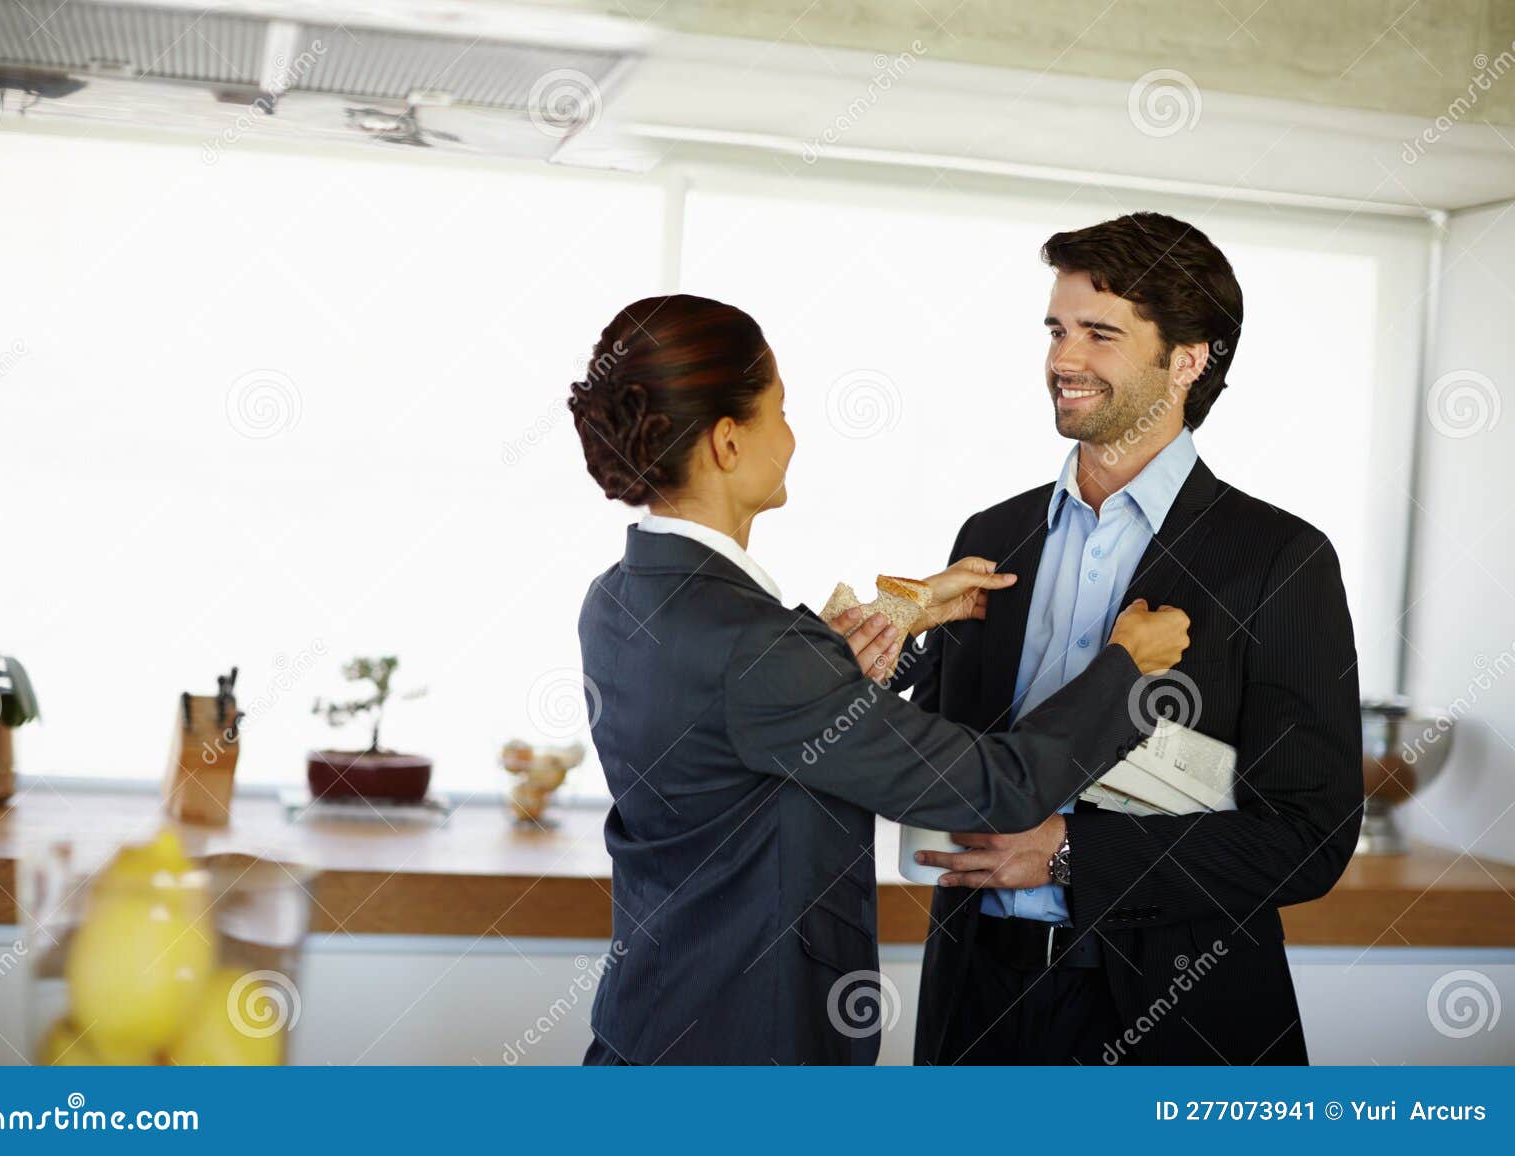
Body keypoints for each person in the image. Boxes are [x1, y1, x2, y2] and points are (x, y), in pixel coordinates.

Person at [567, 293, 1190, 1065]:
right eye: (780, 411)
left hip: (650, 1025)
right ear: (729, 441)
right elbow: (998, 788)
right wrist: (1127, 668)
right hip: (749, 1054)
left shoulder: (621, 593)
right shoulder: (758, 651)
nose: (791, 437)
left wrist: (899, 615)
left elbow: (744, 718)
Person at [903, 212, 1363, 1065]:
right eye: (1056, 329)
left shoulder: (1280, 559)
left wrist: (1073, 854)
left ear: (1189, 359)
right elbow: (929, 752)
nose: (1063, 360)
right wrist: (892, 640)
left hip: (1179, 1014)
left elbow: (1311, 838)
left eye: (1099, 334)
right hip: (978, 1008)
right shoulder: (992, 537)